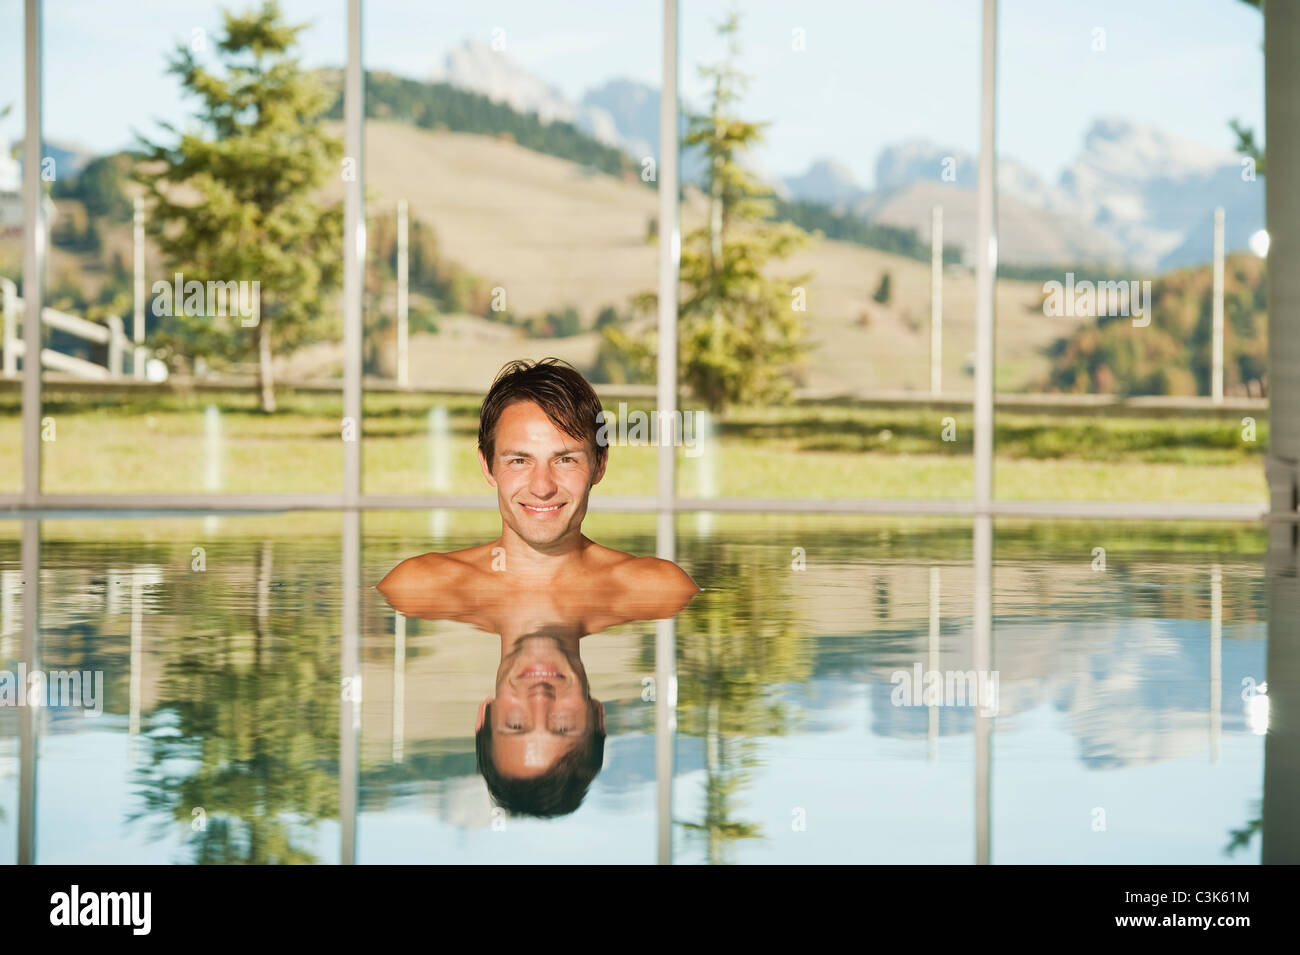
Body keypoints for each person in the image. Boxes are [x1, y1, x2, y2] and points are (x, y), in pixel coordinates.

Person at [378, 357, 700, 816]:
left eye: (565, 458)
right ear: (488, 465)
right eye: (519, 460)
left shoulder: (658, 590)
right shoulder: (418, 587)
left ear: (600, 462)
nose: (542, 486)